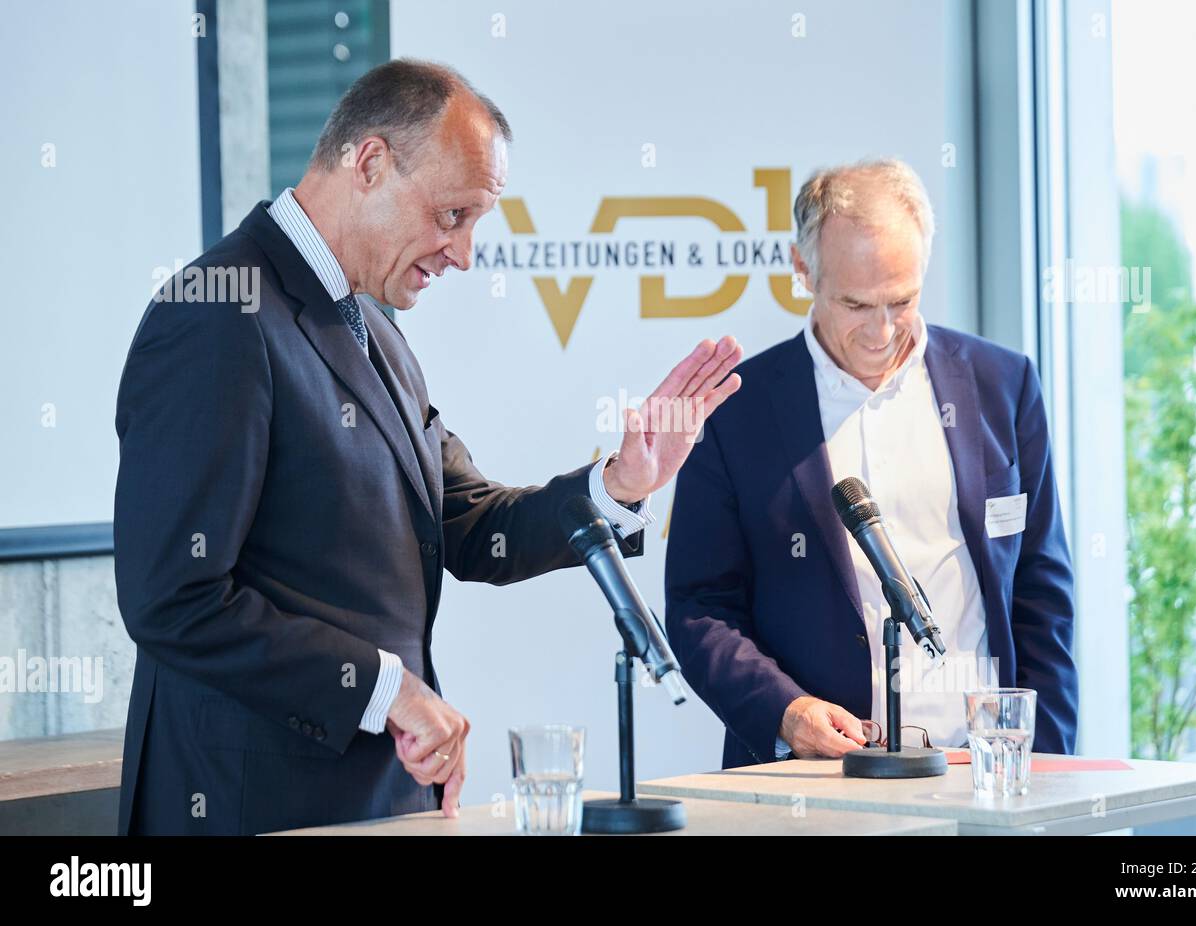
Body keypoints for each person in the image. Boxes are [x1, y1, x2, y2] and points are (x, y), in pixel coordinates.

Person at [113, 59, 741, 834]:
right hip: (248, 807)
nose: (466, 254)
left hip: (378, 797)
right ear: (370, 163)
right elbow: (174, 599)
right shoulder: (215, 313)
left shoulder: (376, 329)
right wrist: (384, 688)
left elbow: (466, 521)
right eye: (453, 216)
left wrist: (618, 483)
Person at [665, 159, 1076, 768]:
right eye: (857, 304)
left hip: (980, 778)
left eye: (902, 300)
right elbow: (701, 607)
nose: (883, 331)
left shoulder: (1002, 384)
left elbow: (1042, 590)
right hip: (812, 785)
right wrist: (785, 710)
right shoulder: (736, 410)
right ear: (803, 269)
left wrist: (1046, 764)